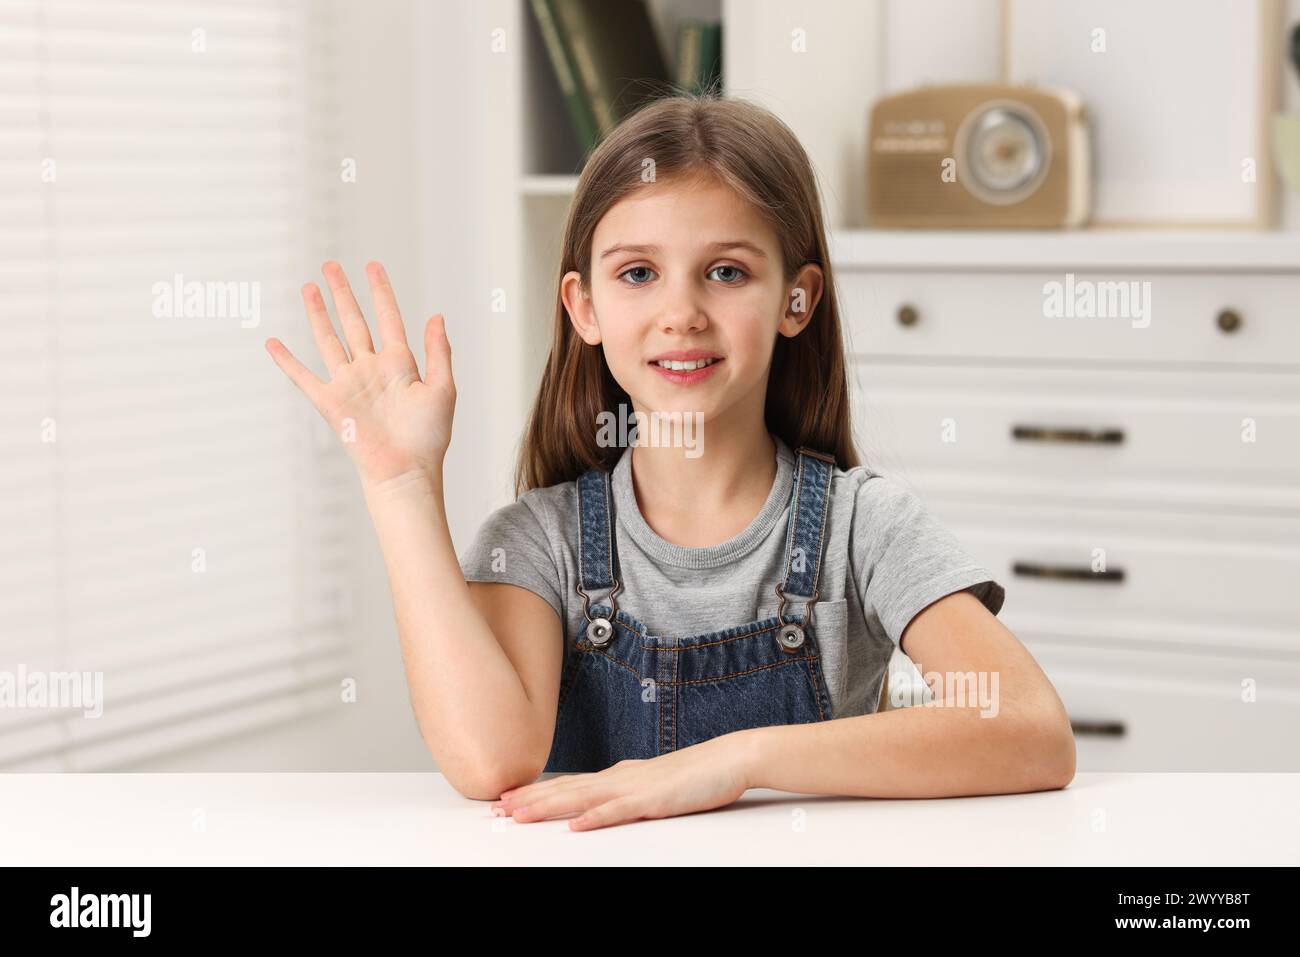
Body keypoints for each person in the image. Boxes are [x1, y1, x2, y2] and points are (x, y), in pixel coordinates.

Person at [265, 93, 1075, 832]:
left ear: (798, 300)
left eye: (726, 272)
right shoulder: (541, 540)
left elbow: (1030, 727)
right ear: (584, 307)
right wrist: (400, 485)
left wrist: (735, 760)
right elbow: (490, 760)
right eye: (638, 274)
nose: (680, 313)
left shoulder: (866, 526)